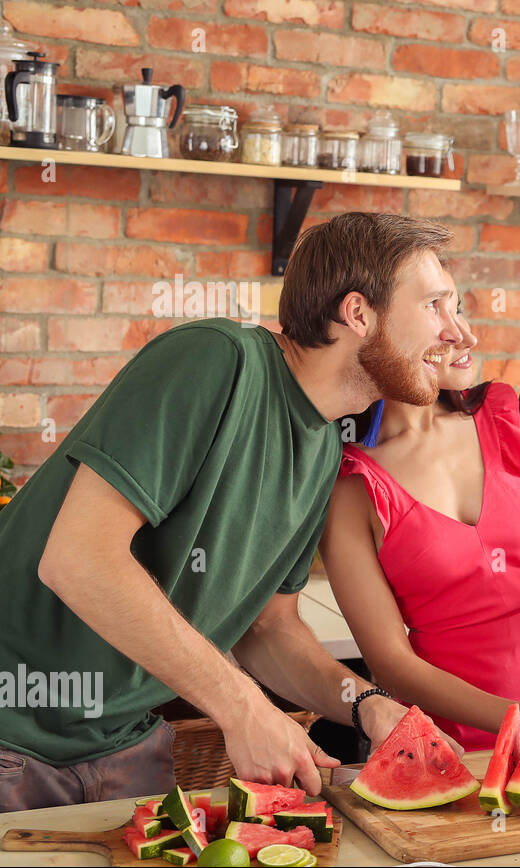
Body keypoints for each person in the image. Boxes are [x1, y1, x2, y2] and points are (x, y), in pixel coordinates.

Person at [0, 212, 466, 811]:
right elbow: (77, 560)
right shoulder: (217, 362)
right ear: (358, 313)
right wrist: (242, 706)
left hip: (124, 747)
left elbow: (267, 629)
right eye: (435, 305)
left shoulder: (323, 447)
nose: (456, 332)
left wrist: (364, 702)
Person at [317, 280, 520, 752]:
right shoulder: (352, 485)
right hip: (458, 744)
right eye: (434, 310)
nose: (464, 334)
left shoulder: (500, 415)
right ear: (373, 328)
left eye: (457, 309)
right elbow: (390, 662)